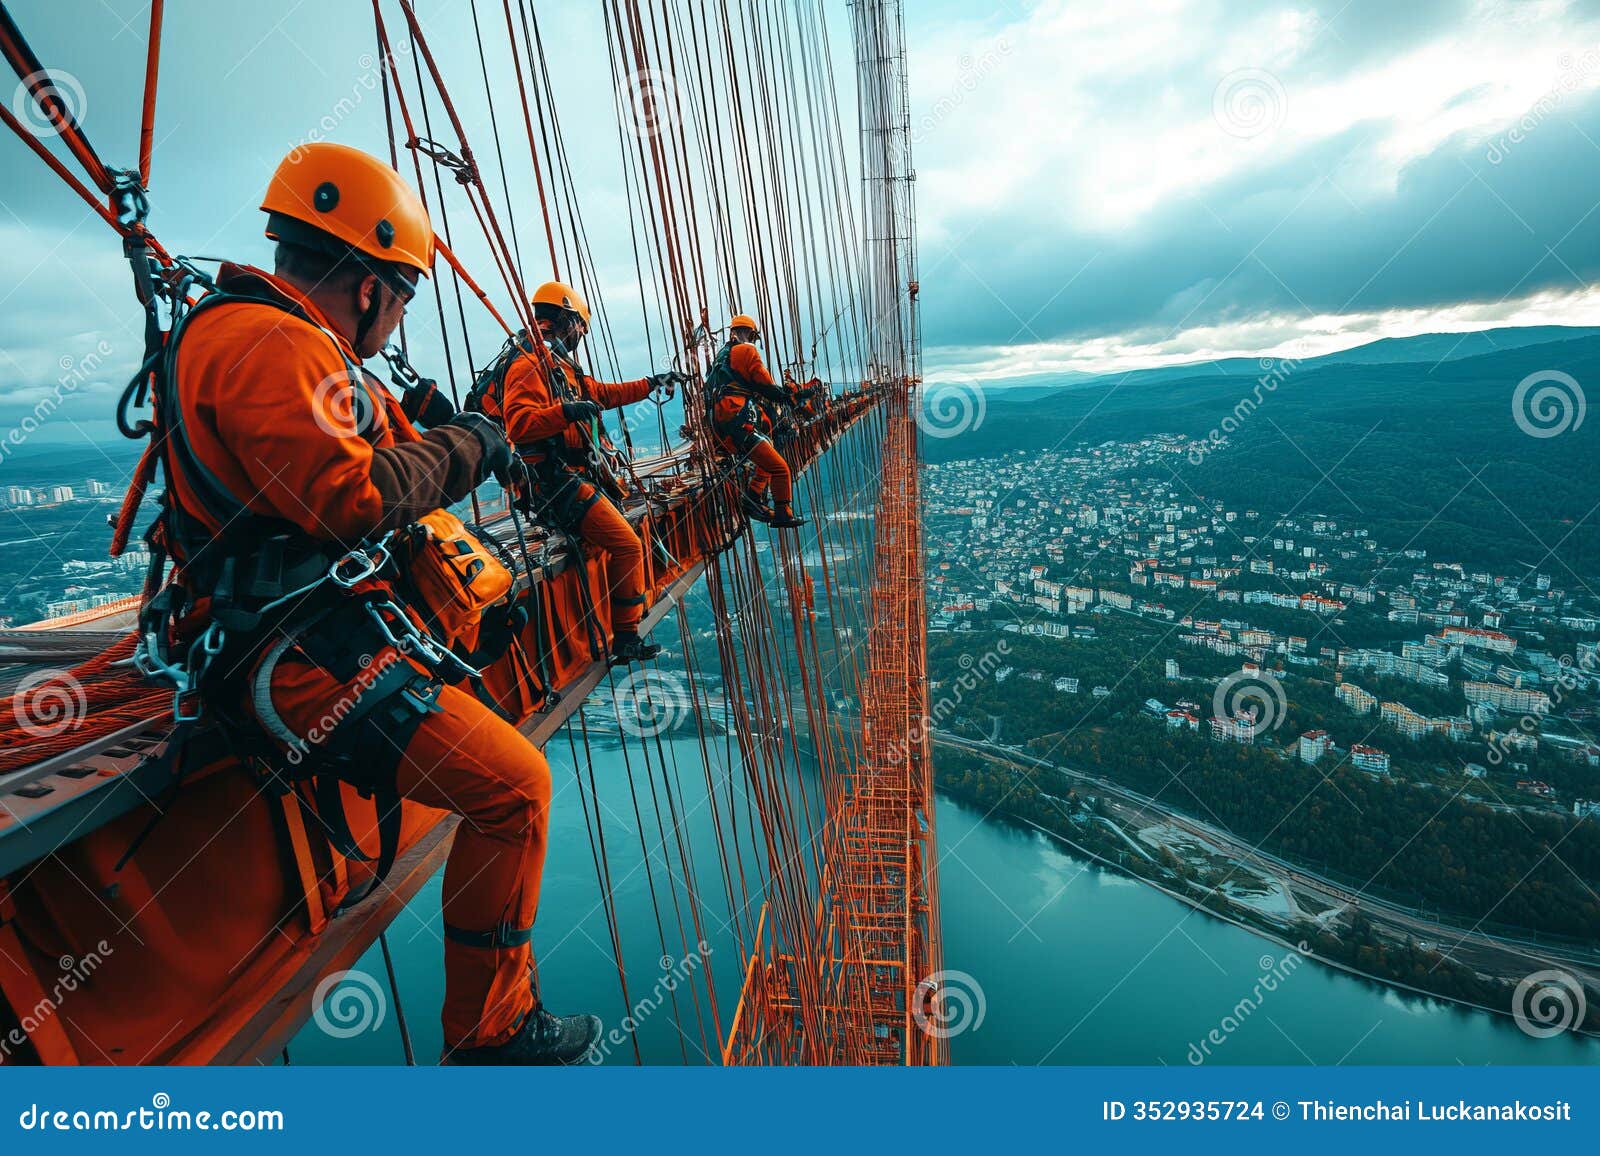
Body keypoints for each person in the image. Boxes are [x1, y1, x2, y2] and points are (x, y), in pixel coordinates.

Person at [161, 142, 600, 1065]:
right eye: (399, 299)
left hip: (299, 637)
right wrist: (472, 445)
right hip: (305, 665)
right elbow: (350, 496)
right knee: (517, 789)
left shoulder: (245, 335)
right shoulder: (274, 344)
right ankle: (491, 1031)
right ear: (369, 287)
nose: (395, 324)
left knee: (484, 698)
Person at [481, 280, 682, 665]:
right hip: (552, 483)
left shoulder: (558, 366)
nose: (582, 334)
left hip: (567, 478)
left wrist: (653, 383)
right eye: (580, 326)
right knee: (628, 545)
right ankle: (626, 637)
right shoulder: (529, 363)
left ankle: (624, 632)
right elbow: (519, 426)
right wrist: (565, 414)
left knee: (622, 534)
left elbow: (603, 394)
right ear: (565, 320)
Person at [705, 314, 805, 528]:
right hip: (739, 419)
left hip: (721, 423)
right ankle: (783, 514)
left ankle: (754, 497)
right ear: (751, 334)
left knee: (766, 454)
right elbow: (764, 384)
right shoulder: (747, 350)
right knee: (780, 468)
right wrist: (787, 397)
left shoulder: (721, 357)